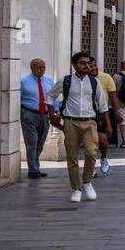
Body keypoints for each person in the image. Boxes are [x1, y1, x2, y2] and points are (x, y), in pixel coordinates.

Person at [48, 52, 111, 203]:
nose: (86, 66)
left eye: (88, 63)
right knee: (72, 157)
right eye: (82, 63)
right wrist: (52, 114)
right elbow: (50, 95)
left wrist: (108, 124)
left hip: (90, 122)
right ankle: (76, 189)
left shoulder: (94, 82)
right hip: (70, 122)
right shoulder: (66, 81)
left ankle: (87, 182)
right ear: (74, 65)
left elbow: (102, 104)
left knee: (91, 153)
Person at [19, 58, 55, 180]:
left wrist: (55, 111)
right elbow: (18, 98)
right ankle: (33, 170)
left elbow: (53, 97)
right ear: (32, 68)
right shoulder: (24, 81)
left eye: (43, 67)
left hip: (44, 115)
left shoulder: (49, 81)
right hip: (29, 114)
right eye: (39, 67)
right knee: (32, 142)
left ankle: (35, 167)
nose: (42, 70)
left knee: (40, 142)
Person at [88, 60, 118, 173]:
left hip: (101, 114)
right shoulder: (82, 80)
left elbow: (113, 96)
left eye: (94, 65)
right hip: (86, 115)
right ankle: (91, 166)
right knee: (90, 142)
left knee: (103, 140)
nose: (93, 68)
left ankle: (104, 157)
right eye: (90, 66)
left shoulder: (106, 78)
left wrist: (116, 112)